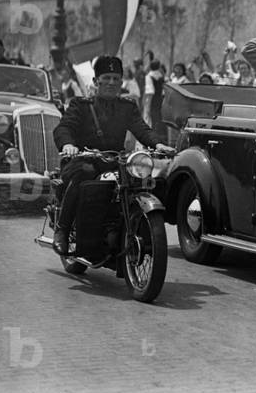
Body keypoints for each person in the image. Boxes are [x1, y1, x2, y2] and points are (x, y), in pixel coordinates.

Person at [51, 55, 173, 254]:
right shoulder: (80, 105)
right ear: (95, 81)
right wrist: (68, 145)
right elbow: (64, 128)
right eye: (106, 78)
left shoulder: (127, 107)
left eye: (116, 79)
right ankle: (62, 230)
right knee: (84, 173)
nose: (111, 83)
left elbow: (142, 129)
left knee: (144, 178)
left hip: (114, 160)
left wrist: (159, 144)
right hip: (81, 159)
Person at [143, 60, 166, 135]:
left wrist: (148, 106)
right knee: (158, 119)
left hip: (152, 100)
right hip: (160, 100)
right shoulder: (161, 77)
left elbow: (150, 92)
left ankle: (151, 138)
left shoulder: (149, 77)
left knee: (150, 119)